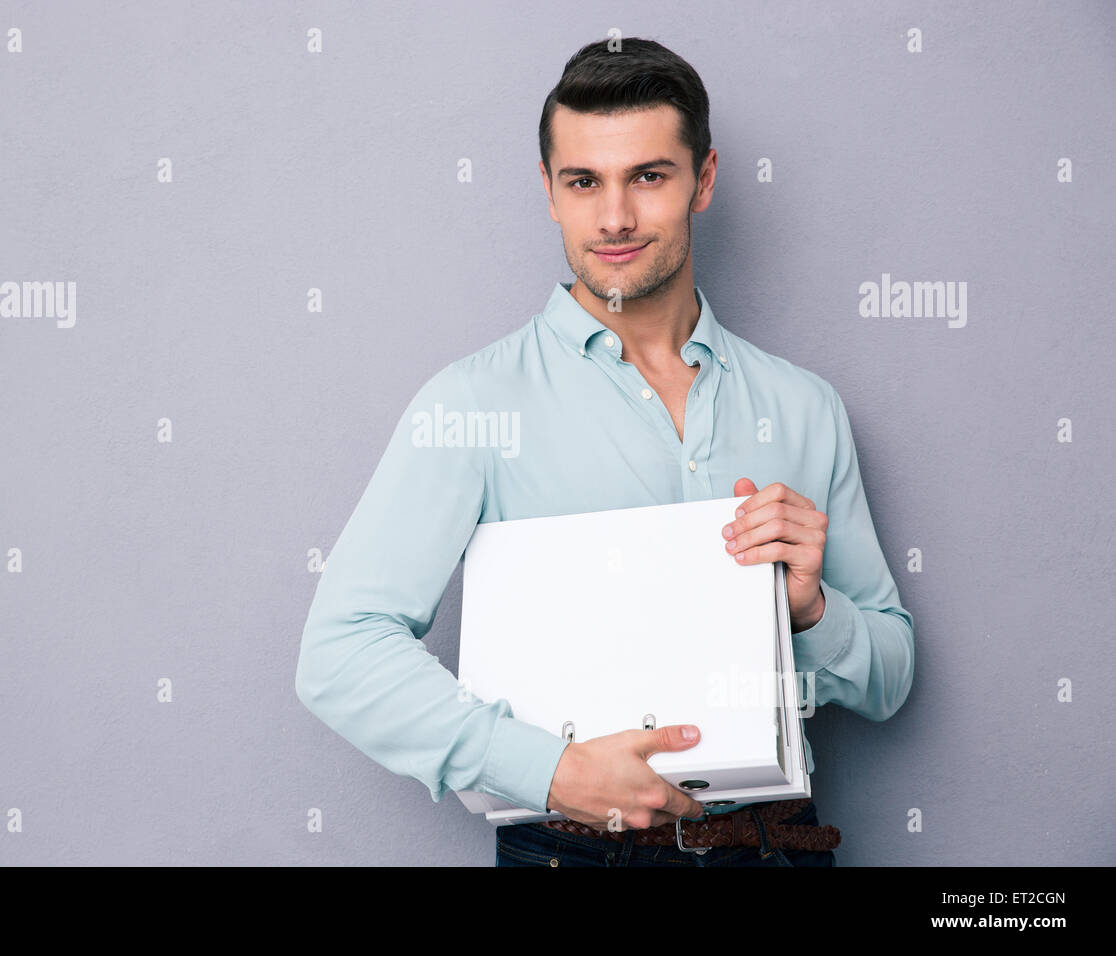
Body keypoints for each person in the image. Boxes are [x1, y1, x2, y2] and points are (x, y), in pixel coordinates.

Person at [295, 37, 915, 867]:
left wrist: (809, 613)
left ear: (704, 180)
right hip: (578, 851)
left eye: (648, 177)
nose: (615, 218)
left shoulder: (804, 407)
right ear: (549, 193)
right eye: (584, 181)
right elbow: (341, 651)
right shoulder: (474, 403)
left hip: (780, 846)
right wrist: (548, 770)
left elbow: (890, 676)